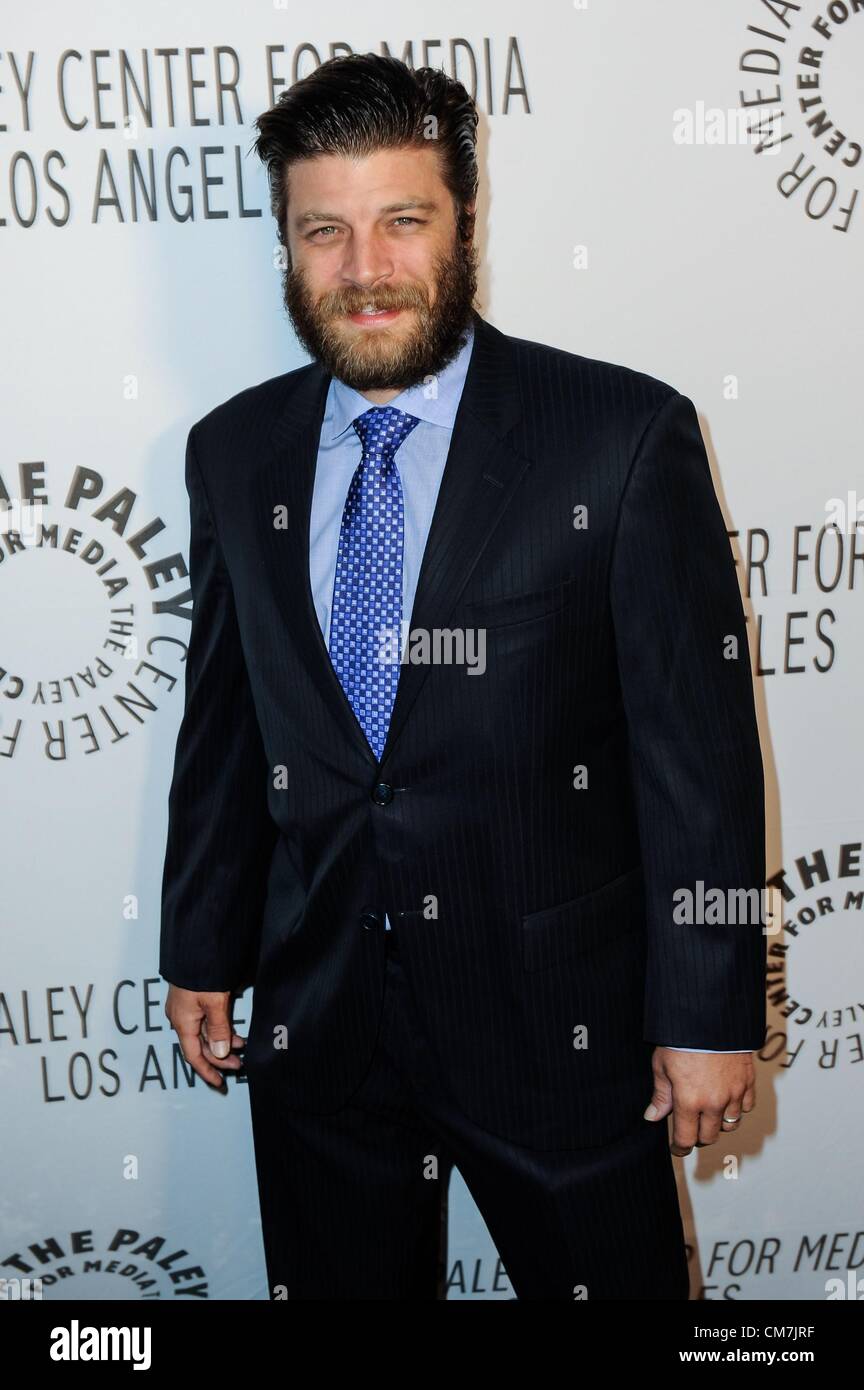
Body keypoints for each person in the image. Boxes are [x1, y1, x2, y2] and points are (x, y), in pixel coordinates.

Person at [159, 52, 766, 1300]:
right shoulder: (233, 451)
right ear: (285, 242)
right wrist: (200, 946)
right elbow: (223, 725)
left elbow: (693, 753)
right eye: (324, 230)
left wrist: (708, 1008)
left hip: (562, 1032)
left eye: (402, 222)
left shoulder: (619, 435)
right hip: (325, 1028)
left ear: (466, 220)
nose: (365, 269)